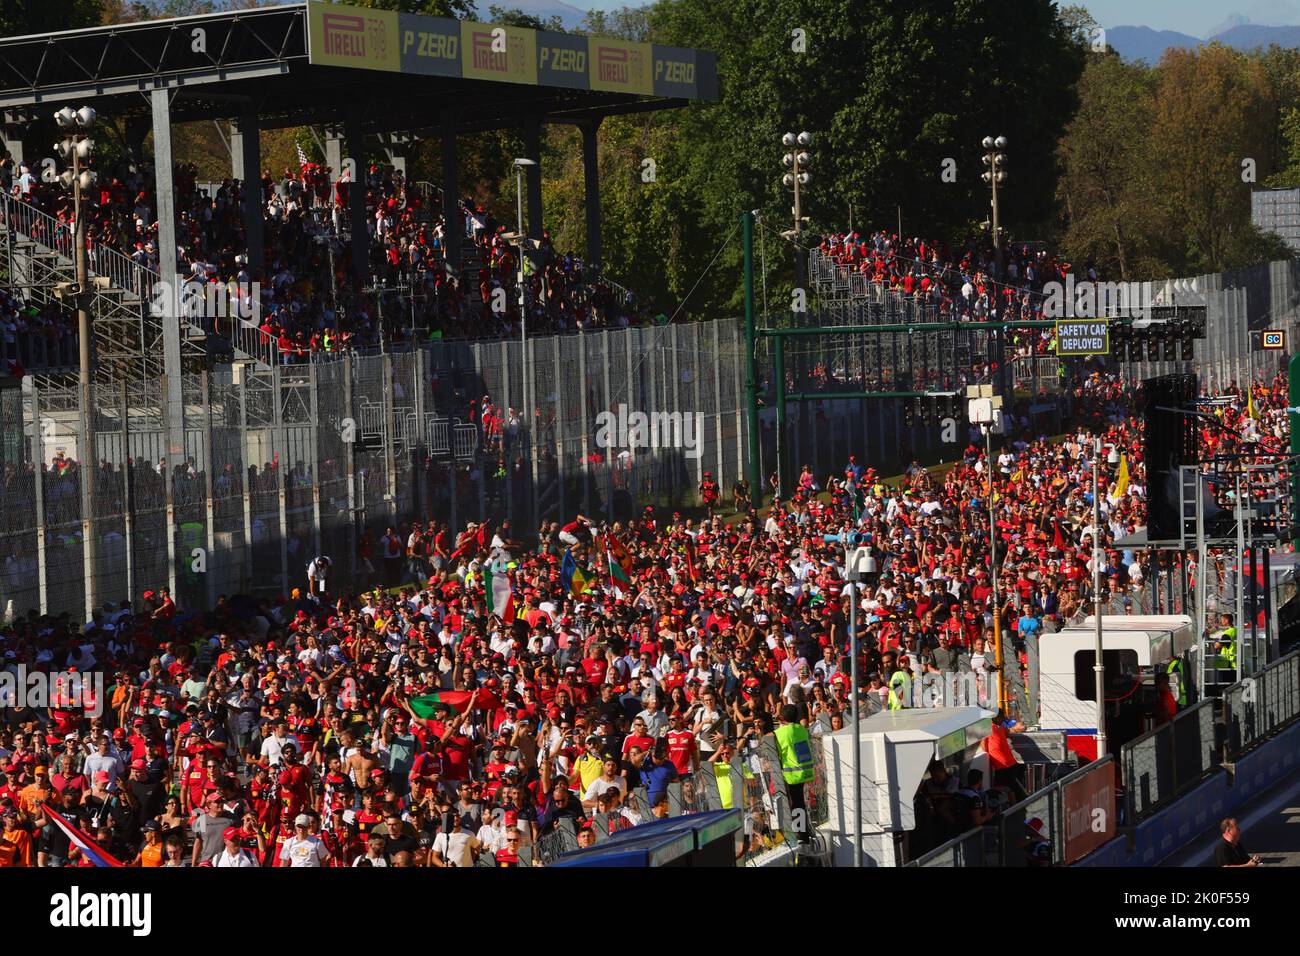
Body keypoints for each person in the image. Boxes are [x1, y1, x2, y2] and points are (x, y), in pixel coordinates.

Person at [773, 704, 814, 844]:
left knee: (794, 804)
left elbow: (775, 750)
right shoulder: (801, 729)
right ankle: (803, 832)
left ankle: (800, 835)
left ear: (782, 717)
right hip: (804, 771)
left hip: (791, 775)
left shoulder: (780, 733)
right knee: (799, 802)